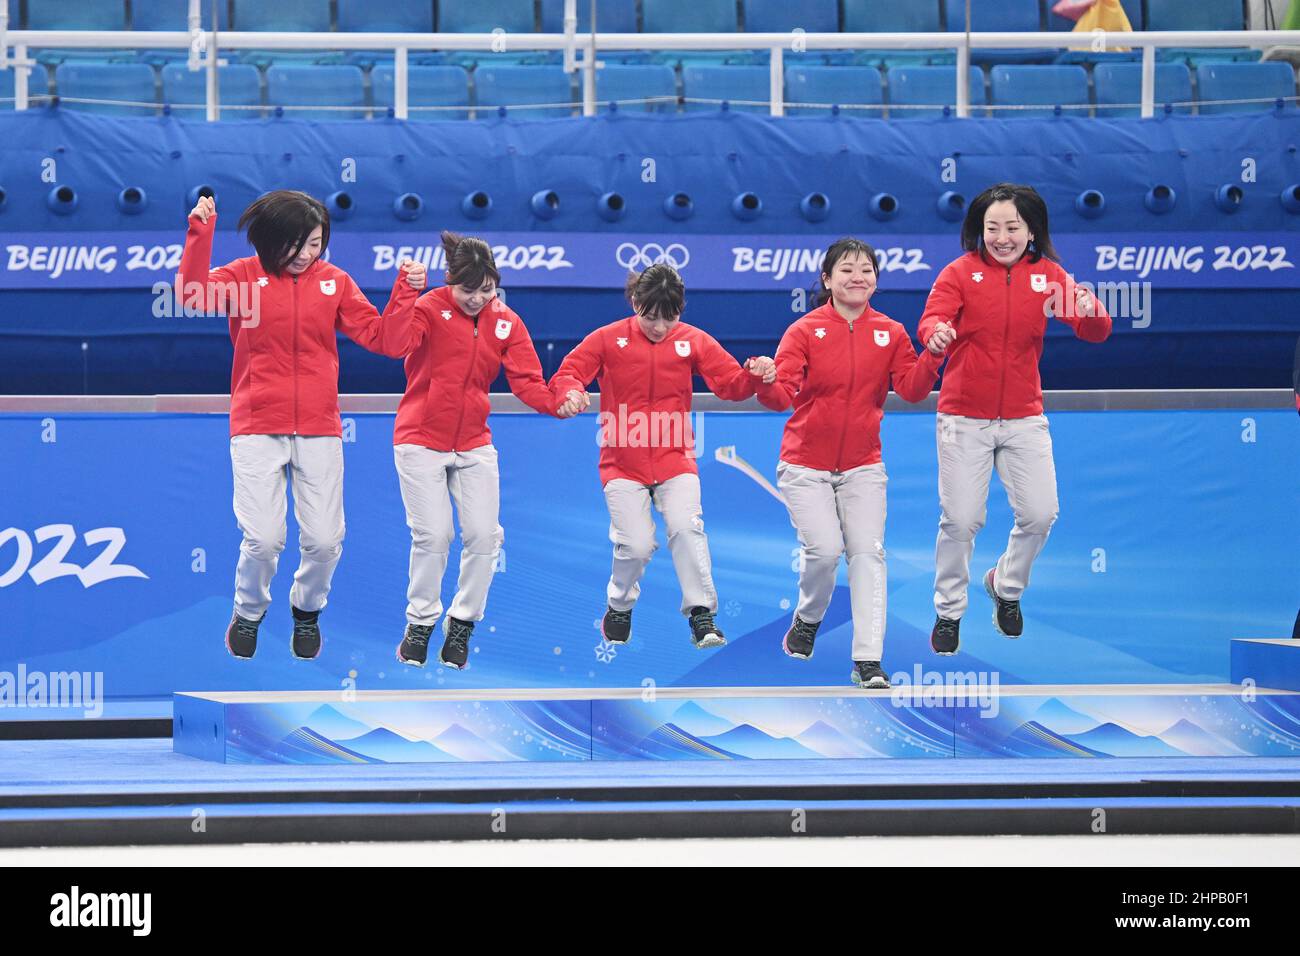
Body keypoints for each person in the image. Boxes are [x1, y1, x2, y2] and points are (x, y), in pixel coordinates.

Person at [177, 190, 426, 661]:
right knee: (265, 539)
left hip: (319, 427)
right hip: (255, 425)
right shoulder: (243, 279)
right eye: (296, 245)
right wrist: (200, 233)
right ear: (270, 241)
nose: (306, 255)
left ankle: (307, 609)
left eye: (315, 244)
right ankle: (248, 612)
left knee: (325, 541)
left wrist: (407, 293)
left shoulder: (334, 282)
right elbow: (191, 296)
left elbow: (386, 340)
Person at [916, 182, 1111, 655]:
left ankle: (1005, 585)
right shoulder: (959, 273)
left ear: (1031, 231)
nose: (1002, 237)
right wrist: (938, 334)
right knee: (961, 520)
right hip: (962, 415)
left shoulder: (1048, 275)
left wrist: (1091, 307)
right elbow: (931, 321)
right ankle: (948, 611)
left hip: (1024, 415)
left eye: (1012, 227)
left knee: (1041, 514)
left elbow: (1095, 332)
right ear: (979, 230)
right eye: (992, 228)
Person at [383, 231, 587, 670]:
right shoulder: (427, 308)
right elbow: (393, 343)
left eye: (486, 289)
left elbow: (530, 382)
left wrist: (560, 403)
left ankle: (462, 625)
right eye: (467, 290)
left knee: (485, 537)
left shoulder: (506, 321)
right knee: (435, 536)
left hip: (474, 443)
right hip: (420, 439)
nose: (477, 299)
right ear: (449, 280)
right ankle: (419, 625)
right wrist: (405, 291)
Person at [548, 264, 778, 649]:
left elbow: (730, 385)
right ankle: (619, 605)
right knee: (636, 545)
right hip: (621, 464)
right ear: (635, 301)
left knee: (688, 529)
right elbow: (569, 372)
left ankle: (702, 615)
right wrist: (570, 391)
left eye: (668, 317)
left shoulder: (694, 341)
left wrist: (757, 373)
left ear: (681, 310)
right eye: (650, 316)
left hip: (676, 459)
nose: (658, 326)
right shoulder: (607, 339)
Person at [759, 238, 947, 689]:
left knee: (868, 555)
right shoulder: (804, 330)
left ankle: (868, 661)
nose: (857, 277)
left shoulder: (891, 333)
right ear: (827, 280)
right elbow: (781, 395)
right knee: (824, 552)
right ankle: (807, 618)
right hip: (805, 465)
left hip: (864, 465)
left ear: (876, 281)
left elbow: (913, 388)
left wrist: (934, 355)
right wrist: (764, 380)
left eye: (866, 269)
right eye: (846, 269)